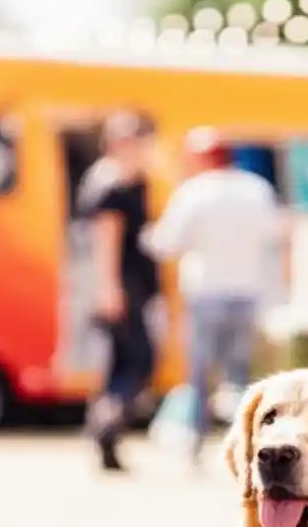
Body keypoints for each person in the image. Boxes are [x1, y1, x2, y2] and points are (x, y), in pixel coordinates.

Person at [141, 127, 286, 463]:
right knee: (241, 375)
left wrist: (145, 238)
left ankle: (196, 443)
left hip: (205, 293)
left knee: (201, 373)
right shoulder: (256, 190)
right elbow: (274, 234)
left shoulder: (194, 192)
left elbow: (168, 243)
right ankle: (245, 443)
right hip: (247, 291)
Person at [79, 112, 160, 472]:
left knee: (119, 365)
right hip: (122, 285)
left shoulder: (133, 181)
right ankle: (106, 423)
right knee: (140, 360)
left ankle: (106, 434)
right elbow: (105, 240)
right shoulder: (111, 186)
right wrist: (108, 288)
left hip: (132, 283)